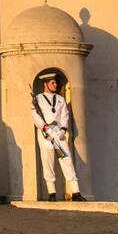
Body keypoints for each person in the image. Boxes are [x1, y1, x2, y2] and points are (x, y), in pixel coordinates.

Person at [32, 68, 84, 202]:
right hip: (46, 135)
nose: (55, 85)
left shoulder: (60, 99)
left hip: (58, 133)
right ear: (46, 84)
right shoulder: (38, 99)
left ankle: (76, 191)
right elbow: (36, 116)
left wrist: (62, 130)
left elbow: (65, 115)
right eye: (53, 83)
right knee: (48, 161)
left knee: (66, 160)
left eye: (56, 83)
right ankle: (52, 193)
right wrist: (45, 129)